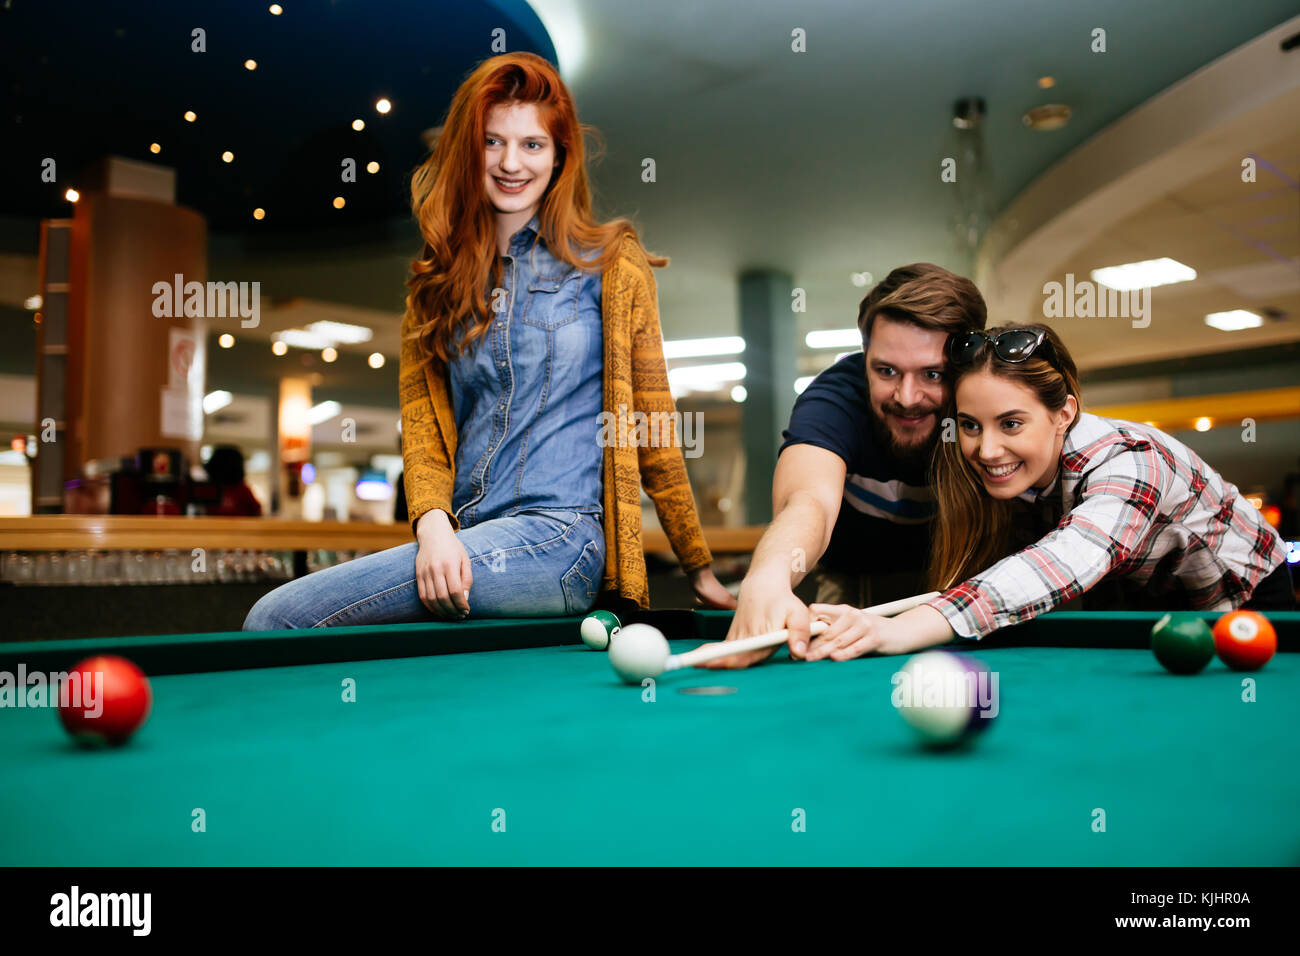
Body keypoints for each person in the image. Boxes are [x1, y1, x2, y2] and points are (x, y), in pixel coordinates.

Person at [245, 52, 732, 630]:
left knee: (277, 617)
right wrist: (433, 529)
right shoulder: (435, 285)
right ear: (467, 151)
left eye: (532, 145)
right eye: (492, 142)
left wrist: (698, 565)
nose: (510, 163)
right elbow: (423, 436)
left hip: (560, 541)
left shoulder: (611, 265)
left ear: (560, 157)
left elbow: (650, 422)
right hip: (466, 540)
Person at [800, 324, 1294, 660]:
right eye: (970, 425)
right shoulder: (1011, 468)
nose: (986, 450)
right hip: (1136, 594)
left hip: (1242, 600)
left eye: (1011, 423)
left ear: (1064, 414)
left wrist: (899, 628)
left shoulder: (1131, 465)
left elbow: (1065, 559)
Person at [702, 264, 987, 668]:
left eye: (932, 374)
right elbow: (808, 500)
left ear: (966, 364)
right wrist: (769, 578)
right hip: (850, 589)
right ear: (865, 358)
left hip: (961, 585)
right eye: (886, 371)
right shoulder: (836, 399)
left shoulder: (986, 401)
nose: (907, 397)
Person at [203, 445, 262, 517]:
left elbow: (257, 511)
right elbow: (257, 512)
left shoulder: (243, 490)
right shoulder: (209, 489)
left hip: (216, 527)